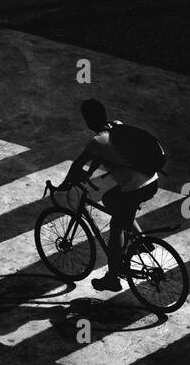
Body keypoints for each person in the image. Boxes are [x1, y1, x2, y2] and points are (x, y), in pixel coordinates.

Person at [54, 99, 161, 291]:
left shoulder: (96, 141)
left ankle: (112, 278)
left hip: (135, 188)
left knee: (116, 229)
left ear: (87, 120)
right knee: (110, 199)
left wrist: (62, 186)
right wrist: (90, 172)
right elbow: (104, 153)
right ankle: (142, 242)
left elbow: (77, 164)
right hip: (151, 180)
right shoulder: (116, 126)